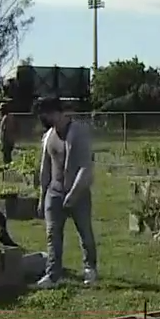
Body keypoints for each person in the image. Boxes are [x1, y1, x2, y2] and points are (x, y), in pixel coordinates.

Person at [35, 97, 98, 288]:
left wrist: (74, 193)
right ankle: (53, 275)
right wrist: (42, 195)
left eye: (46, 115)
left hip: (77, 192)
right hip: (54, 192)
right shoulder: (48, 137)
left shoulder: (78, 133)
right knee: (52, 233)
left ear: (56, 112)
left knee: (84, 232)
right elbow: (45, 169)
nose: (45, 119)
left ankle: (90, 269)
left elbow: (85, 167)